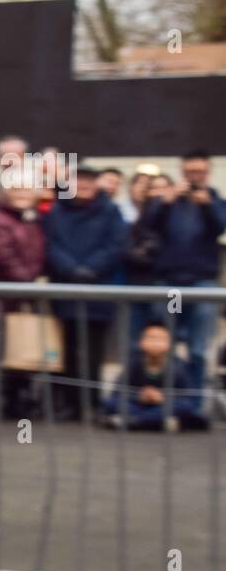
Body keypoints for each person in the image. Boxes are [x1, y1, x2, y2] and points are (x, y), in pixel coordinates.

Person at [143, 150, 226, 413]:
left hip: (202, 284)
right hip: (171, 283)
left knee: (199, 349)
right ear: (182, 172)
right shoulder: (169, 200)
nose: (195, 177)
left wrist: (208, 205)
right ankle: (167, 402)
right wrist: (166, 201)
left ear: (208, 173)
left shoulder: (215, 200)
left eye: (199, 172)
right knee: (166, 345)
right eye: (190, 172)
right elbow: (148, 225)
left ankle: (195, 404)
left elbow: (222, 227)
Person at [44, 164, 128, 417]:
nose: (84, 187)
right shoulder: (57, 211)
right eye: (79, 182)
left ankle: (91, 403)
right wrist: (70, 268)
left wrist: (91, 268)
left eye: (89, 182)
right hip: (66, 286)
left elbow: (115, 245)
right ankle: (70, 403)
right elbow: (50, 244)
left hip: (97, 288)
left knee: (93, 350)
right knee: (68, 349)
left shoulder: (111, 211)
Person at [0, 177, 46, 418]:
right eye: (16, 189)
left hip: (21, 295)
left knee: (20, 349)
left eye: (27, 188)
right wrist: (27, 282)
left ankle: (17, 402)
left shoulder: (31, 219)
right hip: (1, 296)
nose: (22, 193)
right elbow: (2, 255)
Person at [104, 322, 206, 431]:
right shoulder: (133, 364)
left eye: (160, 339)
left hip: (162, 407)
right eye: (151, 338)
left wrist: (162, 398)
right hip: (138, 405)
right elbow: (116, 393)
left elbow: (187, 399)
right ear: (141, 342)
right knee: (110, 403)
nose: (155, 343)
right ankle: (158, 424)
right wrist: (139, 396)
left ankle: (135, 422)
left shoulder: (178, 367)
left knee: (185, 407)